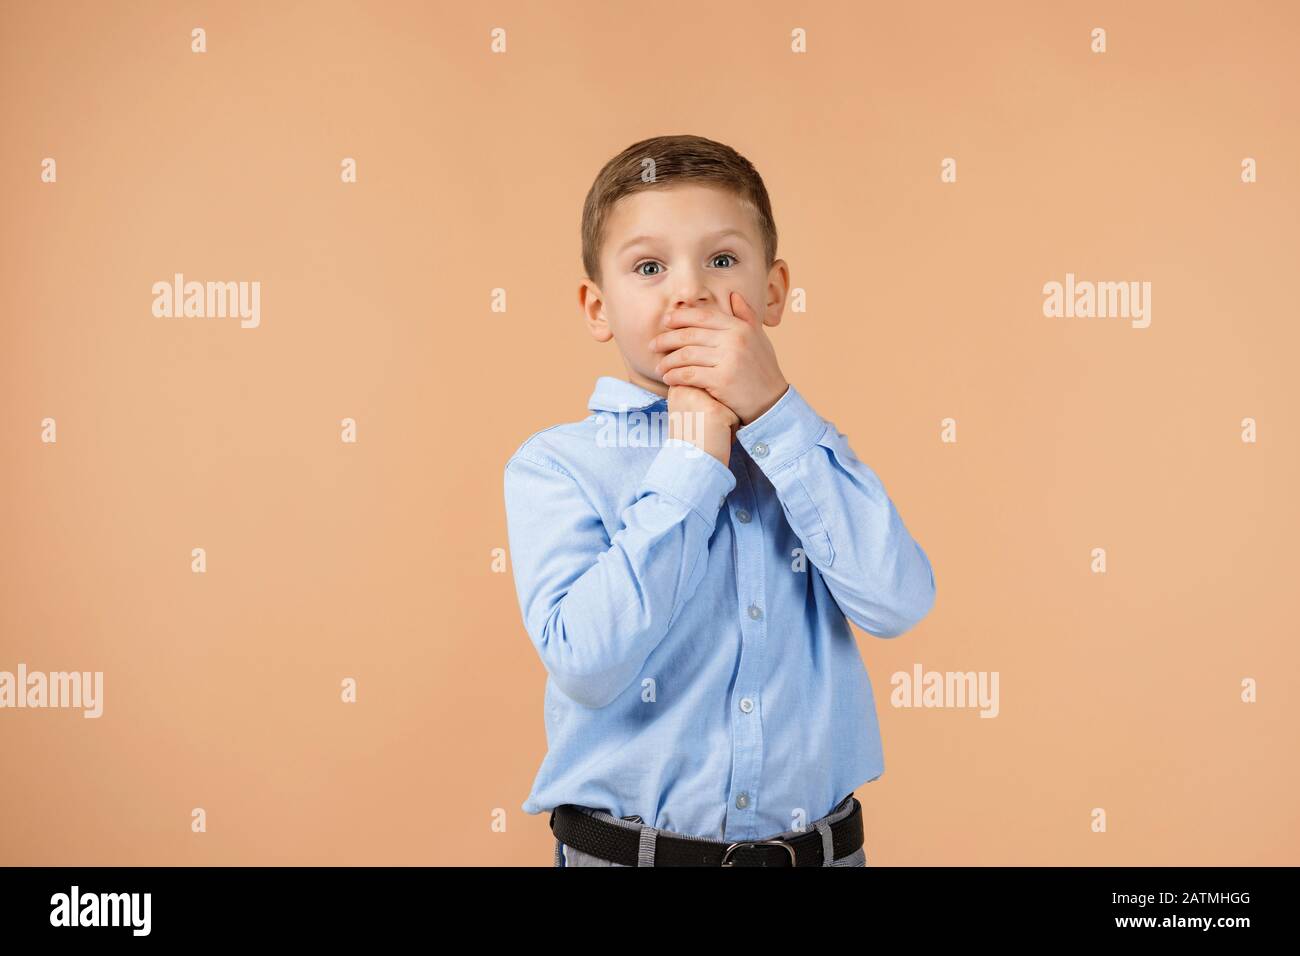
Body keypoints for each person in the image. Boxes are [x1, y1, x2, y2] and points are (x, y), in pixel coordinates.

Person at [503, 134, 936, 866]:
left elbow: (899, 601)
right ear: (596, 306)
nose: (690, 291)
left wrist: (775, 413)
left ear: (772, 292)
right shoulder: (556, 464)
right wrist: (691, 461)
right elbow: (586, 662)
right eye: (648, 267)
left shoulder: (806, 458)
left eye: (723, 260)